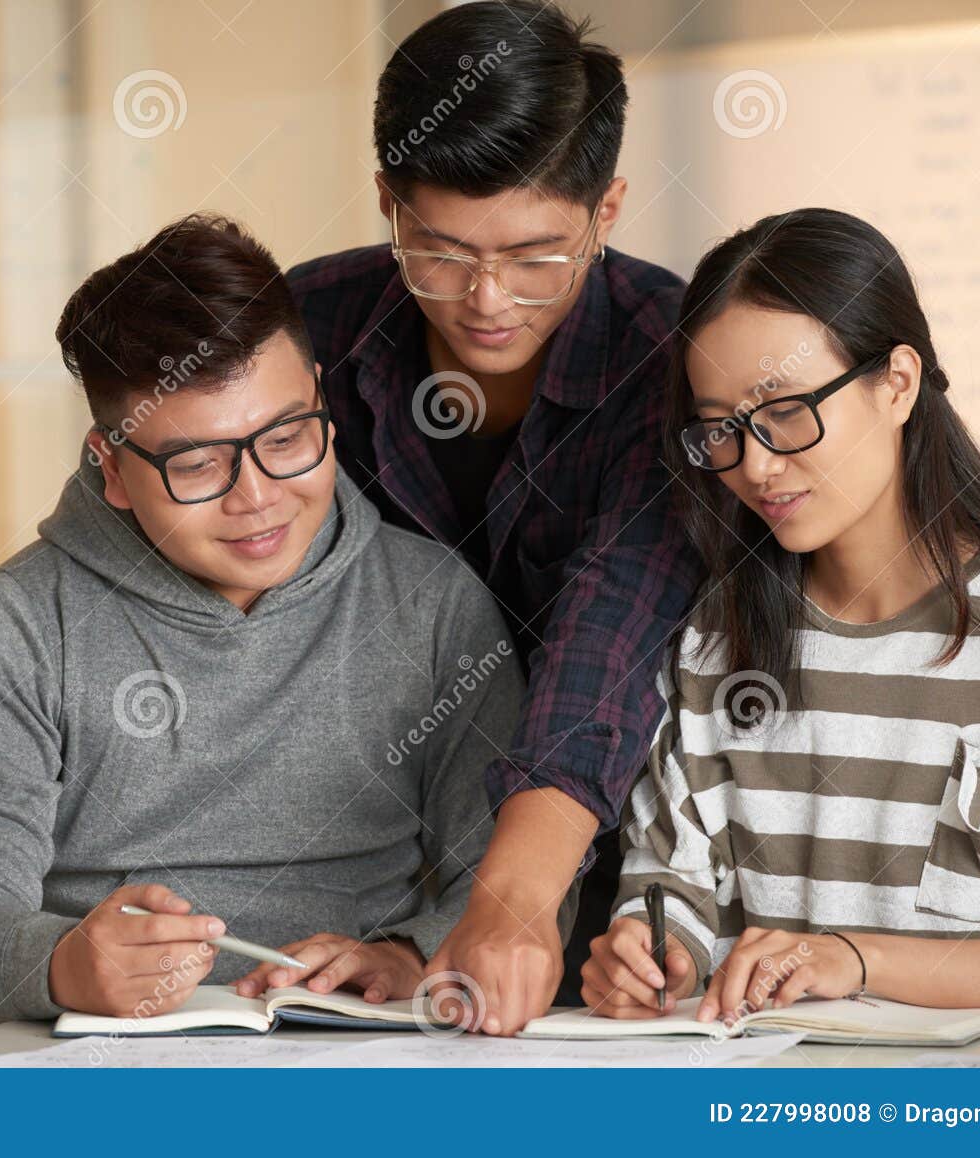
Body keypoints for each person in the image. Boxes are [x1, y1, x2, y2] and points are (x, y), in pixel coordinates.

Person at [0, 214, 522, 1022]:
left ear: (322, 398)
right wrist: (62, 966)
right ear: (113, 468)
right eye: (198, 463)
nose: (257, 496)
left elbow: (513, 882)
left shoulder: (433, 603)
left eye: (289, 435)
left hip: (364, 1056)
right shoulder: (16, 626)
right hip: (102, 1068)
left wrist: (407, 954)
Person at [288, 0, 699, 1032]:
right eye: (439, 250)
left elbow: (611, 631)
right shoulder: (306, 333)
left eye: (534, 256)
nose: (485, 299)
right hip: (343, 877)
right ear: (386, 202)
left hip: (607, 894)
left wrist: (510, 903)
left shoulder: (672, 360)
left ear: (606, 212)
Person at [583, 207, 980, 1023]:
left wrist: (854, 961)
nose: (753, 466)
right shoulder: (713, 640)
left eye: (786, 411)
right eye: (720, 428)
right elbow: (670, 886)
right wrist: (655, 956)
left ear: (897, 383)